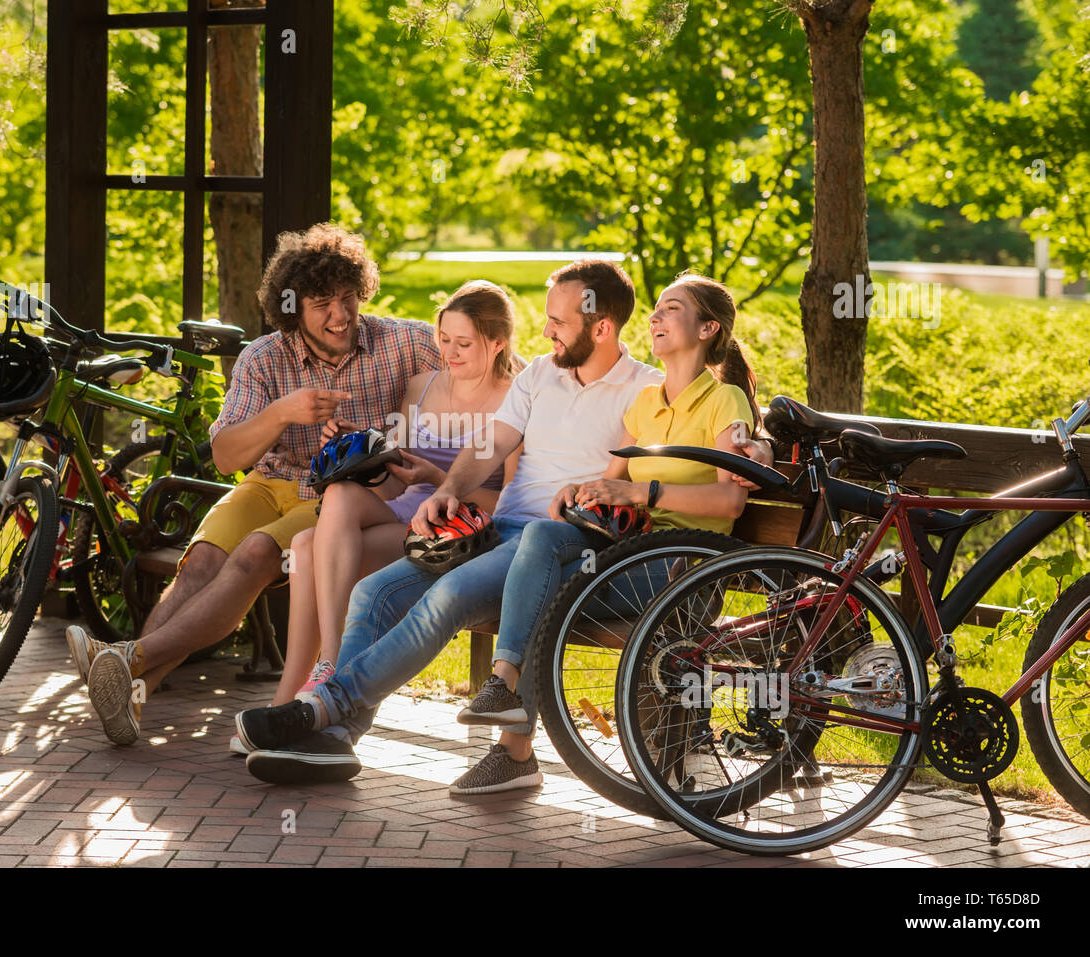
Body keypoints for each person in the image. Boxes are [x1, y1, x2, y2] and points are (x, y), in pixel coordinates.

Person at [233, 260, 774, 786]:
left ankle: (323, 713)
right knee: (374, 593)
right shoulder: (555, 377)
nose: (544, 333)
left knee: (446, 599)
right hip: (498, 534)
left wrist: (757, 449)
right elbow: (494, 445)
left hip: (570, 547)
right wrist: (446, 491)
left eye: (558, 322)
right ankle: (334, 740)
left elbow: (720, 450)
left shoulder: (644, 388)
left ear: (601, 327)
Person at [65, 223, 441, 746]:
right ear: (293, 310)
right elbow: (225, 458)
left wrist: (385, 441)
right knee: (199, 561)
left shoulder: (407, 342)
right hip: (269, 483)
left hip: (338, 499)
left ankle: (129, 658)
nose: (340, 315)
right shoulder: (264, 357)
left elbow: (479, 380)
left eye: (348, 298)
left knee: (256, 553)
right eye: (321, 303)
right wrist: (284, 413)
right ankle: (135, 688)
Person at [451, 272, 761, 792]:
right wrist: (577, 492)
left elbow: (731, 498)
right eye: (656, 309)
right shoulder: (646, 403)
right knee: (545, 539)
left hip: (686, 566)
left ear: (708, 329)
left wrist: (645, 493)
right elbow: (610, 483)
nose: (656, 318)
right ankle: (505, 690)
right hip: (635, 556)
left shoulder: (724, 400)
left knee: (549, 593)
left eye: (673, 310)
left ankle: (514, 751)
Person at [265, 281, 523, 714]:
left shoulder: (515, 400)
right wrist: (362, 452)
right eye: (444, 340)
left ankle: (313, 681)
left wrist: (441, 480)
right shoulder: (422, 387)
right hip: (407, 506)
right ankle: (317, 676)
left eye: (464, 343)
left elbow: (507, 505)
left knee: (308, 548)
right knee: (337, 499)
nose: (450, 352)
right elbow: (396, 478)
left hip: (456, 529)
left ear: (497, 343)